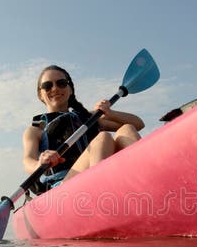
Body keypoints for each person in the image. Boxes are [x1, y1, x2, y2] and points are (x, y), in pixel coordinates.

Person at [22, 64, 145, 192]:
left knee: (127, 129)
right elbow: (27, 161)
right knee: (103, 137)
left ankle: (145, 180)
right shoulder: (35, 130)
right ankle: (99, 192)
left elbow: (138, 124)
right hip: (64, 185)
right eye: (48, 86)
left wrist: (110, 112)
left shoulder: (89, 117)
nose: (55, 89)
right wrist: (39, 163)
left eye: (61, 83)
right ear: (40, 94)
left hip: (98, 174)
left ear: (70, 89)